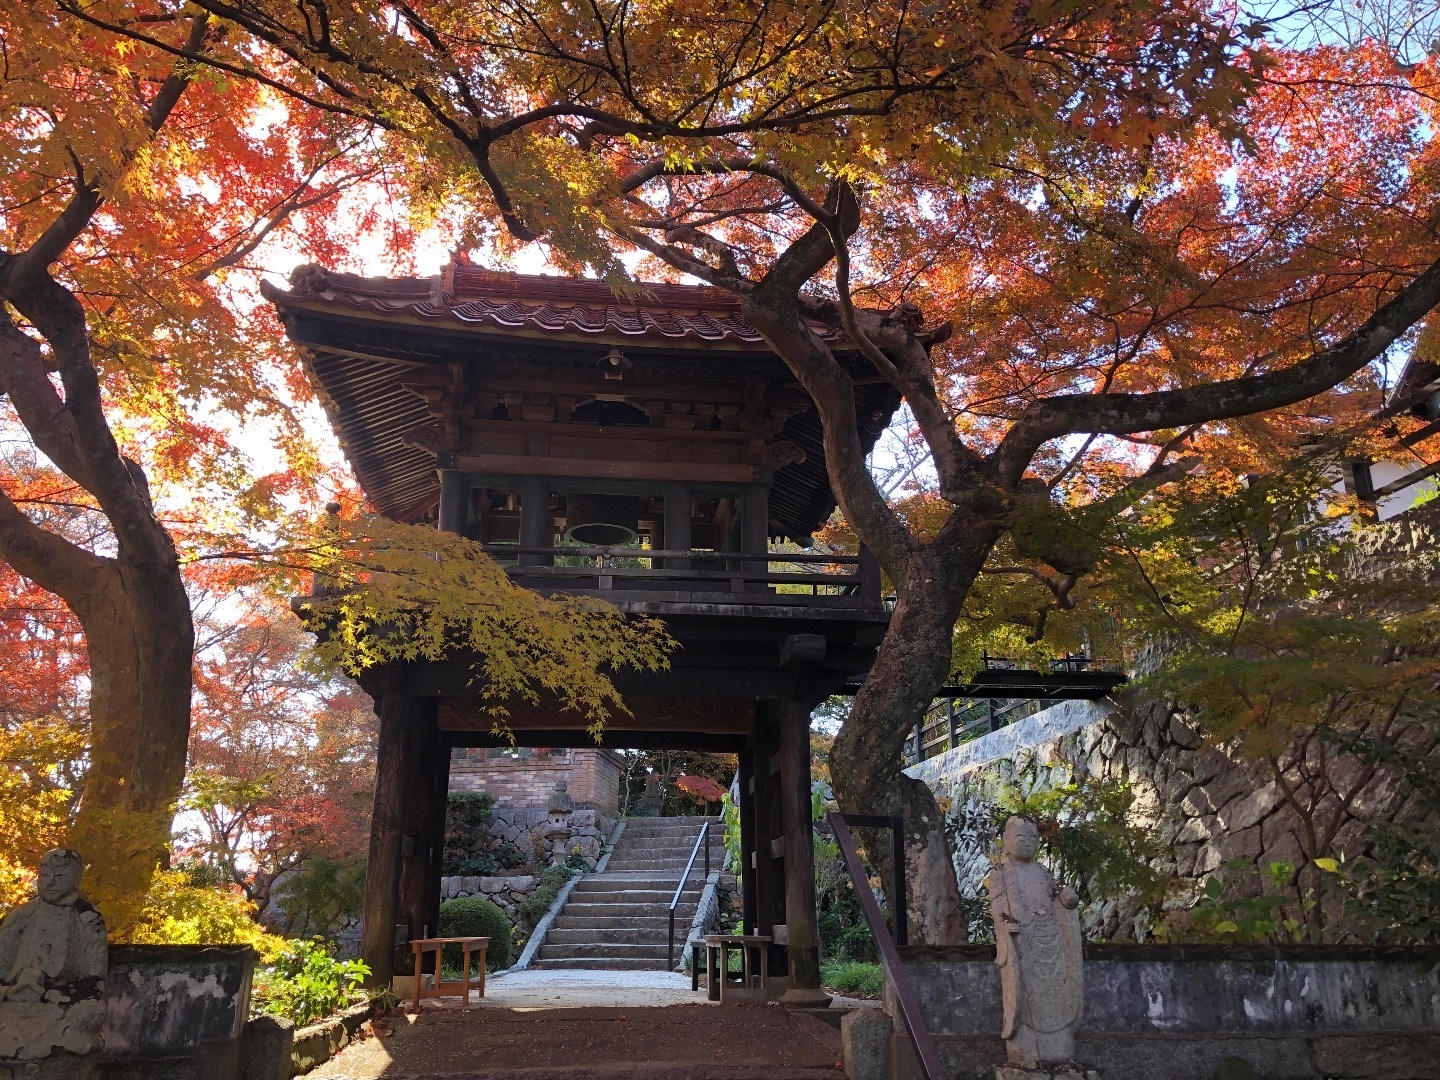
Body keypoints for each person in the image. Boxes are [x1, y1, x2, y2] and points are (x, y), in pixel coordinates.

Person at [989, 816, 1084, 1068]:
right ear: (1007, 840)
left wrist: (1066, 900)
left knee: (1057, 996)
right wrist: (1005, 925)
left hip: (1050, 940)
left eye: (1033, 838)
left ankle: (1061, 1051)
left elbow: (1055, 903)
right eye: (1021, 838)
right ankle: (1025, 1053)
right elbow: (998, 905)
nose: (1028, 843)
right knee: (1025, 998)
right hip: (1023, 944)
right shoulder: (1000, 872)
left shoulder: (1044, 872)